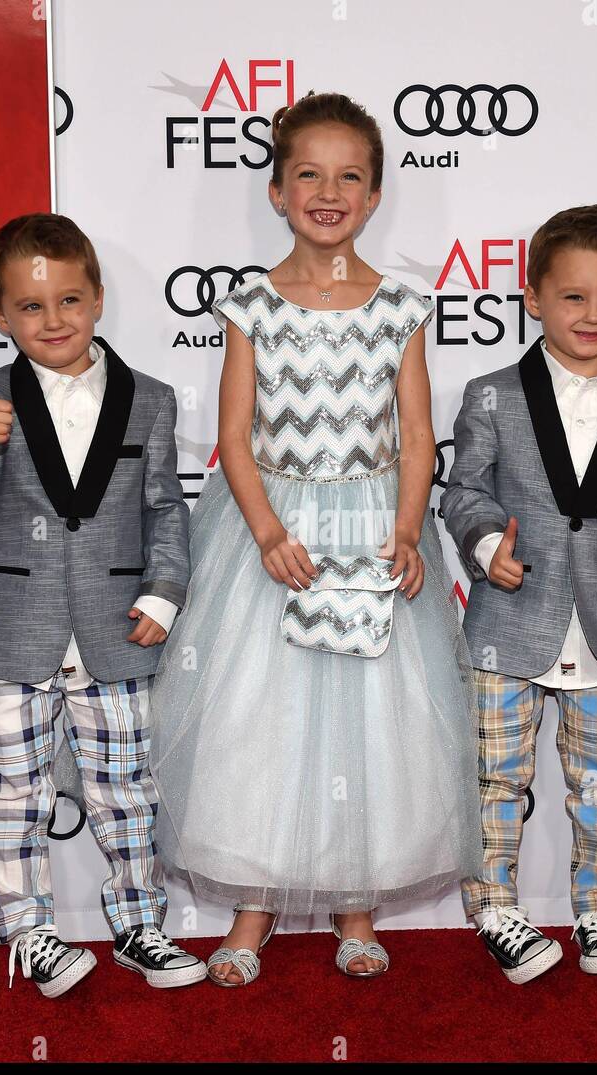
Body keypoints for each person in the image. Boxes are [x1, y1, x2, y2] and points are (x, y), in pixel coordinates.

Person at [149, 91, 481, 986]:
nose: (328, 192)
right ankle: (252, 911)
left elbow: (416, 436)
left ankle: (356, 906)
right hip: (271, 539)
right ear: (276, 191)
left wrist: (407, 530)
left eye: (350, 177)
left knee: (373, 721)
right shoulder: (251, 306)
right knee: (261, 720)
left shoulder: (399, 306)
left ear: (373, 196)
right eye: (309, 175)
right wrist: (264, 532)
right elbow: (234, 434)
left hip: (371, 530)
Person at [0, 213, 205, 996]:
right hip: (19, 630)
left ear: (99, 299)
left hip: (119, 629)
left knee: (127, 789)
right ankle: (30, 935)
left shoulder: (149, 399)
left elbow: (164, 510)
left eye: (70, 301)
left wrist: (165, 593)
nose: (54, 321)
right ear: (0, 313)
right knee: (16, 791)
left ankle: (141, 926)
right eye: (32, 308)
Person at [442, 204, 597, 983]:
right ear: (533, 296)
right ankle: (496, 911)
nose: (592, 315)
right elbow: (463, 493)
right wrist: (485, 547)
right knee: (493, 781)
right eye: (573, 297)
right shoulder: (490, 394)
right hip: (507, 623)